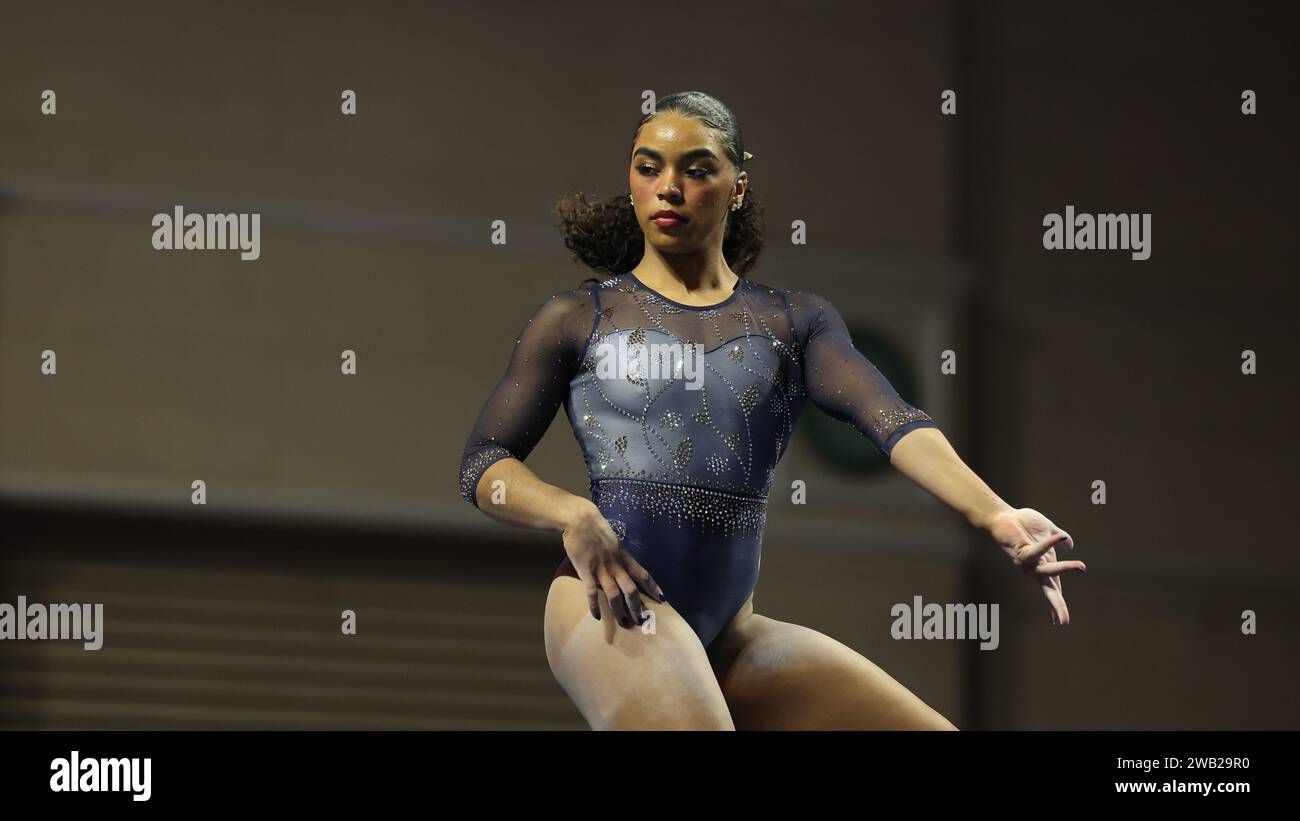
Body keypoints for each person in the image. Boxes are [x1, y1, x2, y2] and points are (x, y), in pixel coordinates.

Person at [457, 91, 1085, 730]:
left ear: (736, 186)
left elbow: (889, 418)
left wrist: (997, 515)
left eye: (696, 169)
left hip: (733, 632)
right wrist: (570, 513)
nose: (668, 188)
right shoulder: (578, 318)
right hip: (611, 603)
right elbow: (484, 465)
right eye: (648, 168)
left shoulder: (795, 322)